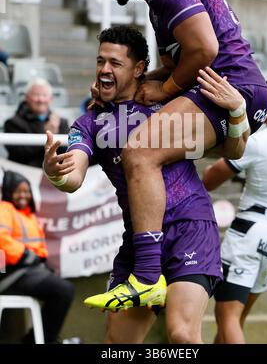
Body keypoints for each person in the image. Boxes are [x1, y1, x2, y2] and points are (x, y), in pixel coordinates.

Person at [87, 0, 267, 297]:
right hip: (228, 96)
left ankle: (148, 276)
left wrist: (165, 90)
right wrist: (128, 88)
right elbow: (176, 64)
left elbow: (204, 49)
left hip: (229, 88)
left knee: (140, 151)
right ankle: (153, 267)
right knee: (160, 151)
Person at [42, 26, 231, 343]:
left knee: (183, 335)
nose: (104, 69)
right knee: (118, 342)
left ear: (139, 68)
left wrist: (238, 110)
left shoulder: (170, 103)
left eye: (115, 63)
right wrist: (56, 172)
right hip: (139, 238)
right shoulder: (89, 122)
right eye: (100, 61)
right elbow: (73, 177)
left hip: (190, 227)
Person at [202, 77, 267, 344]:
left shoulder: (259, 140)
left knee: (227, 316)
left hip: (252, 232)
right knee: (237, 317)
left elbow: (212, 177)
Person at [0, 170, 75, 344]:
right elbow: (1, 237)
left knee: (62, 291)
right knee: (63, 291)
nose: (23, 195)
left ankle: (36, 338)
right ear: (9, 192)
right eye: (18, 191)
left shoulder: (29, 215)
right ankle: (40, 340)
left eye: (26, 191)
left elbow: (39, 247)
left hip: (28, 271)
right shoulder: (5, 208)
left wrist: (40, 261)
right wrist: (24, 254)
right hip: (13, 273)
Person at [4, 78, 69, 167]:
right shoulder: (12, 123)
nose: (41, 100)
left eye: (44, 95)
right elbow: (19, 155)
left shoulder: (61, 122)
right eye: (36, 95)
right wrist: (46, 135)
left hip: (55, 175)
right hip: (24, 173)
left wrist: (56, 135)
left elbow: (67, 153)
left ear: (51, 99)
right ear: (27, 97)